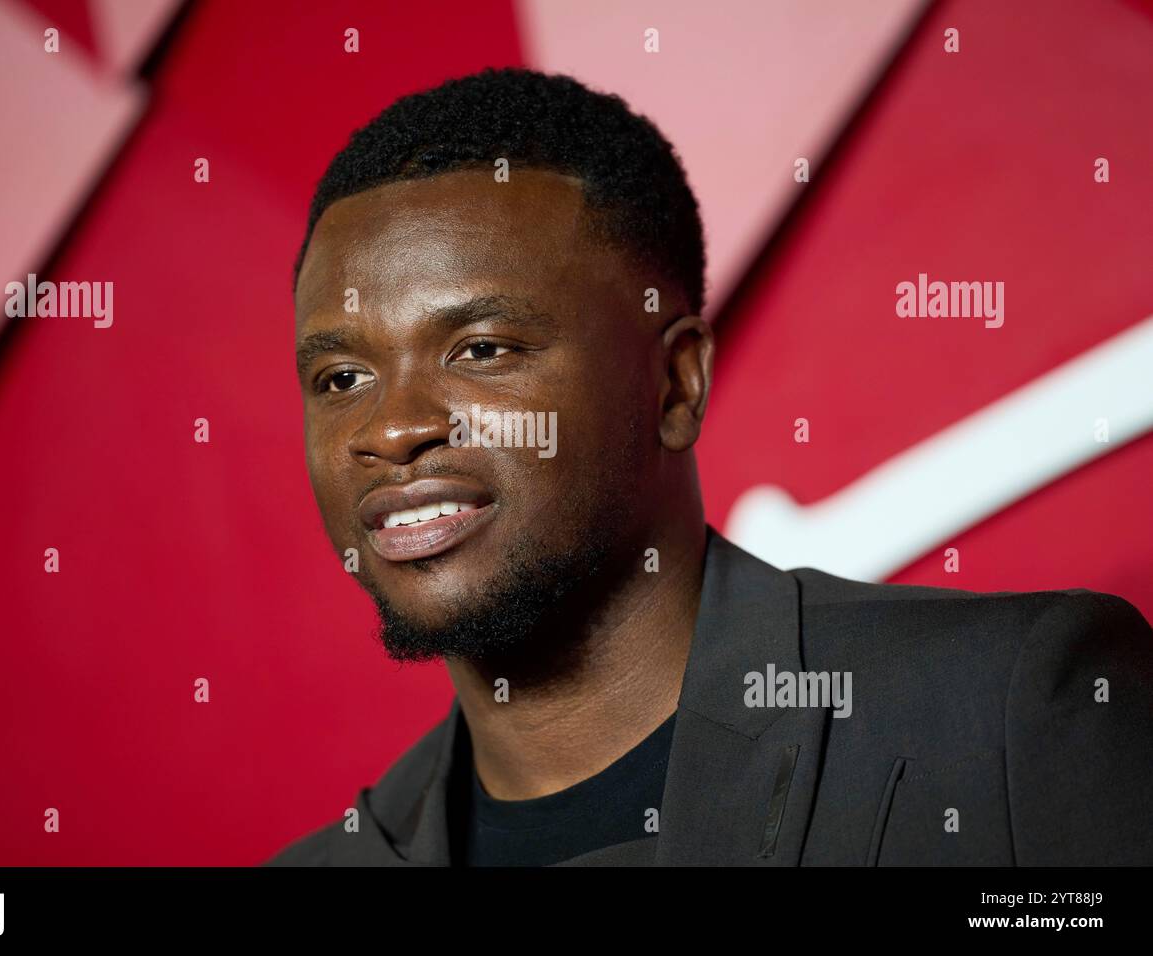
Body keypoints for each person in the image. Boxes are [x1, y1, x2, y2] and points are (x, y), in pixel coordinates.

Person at [270, 67, 1153, 866]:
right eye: (341, 377)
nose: (390, 430)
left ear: (676, 383)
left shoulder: (1011, 715)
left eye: (483, 348)